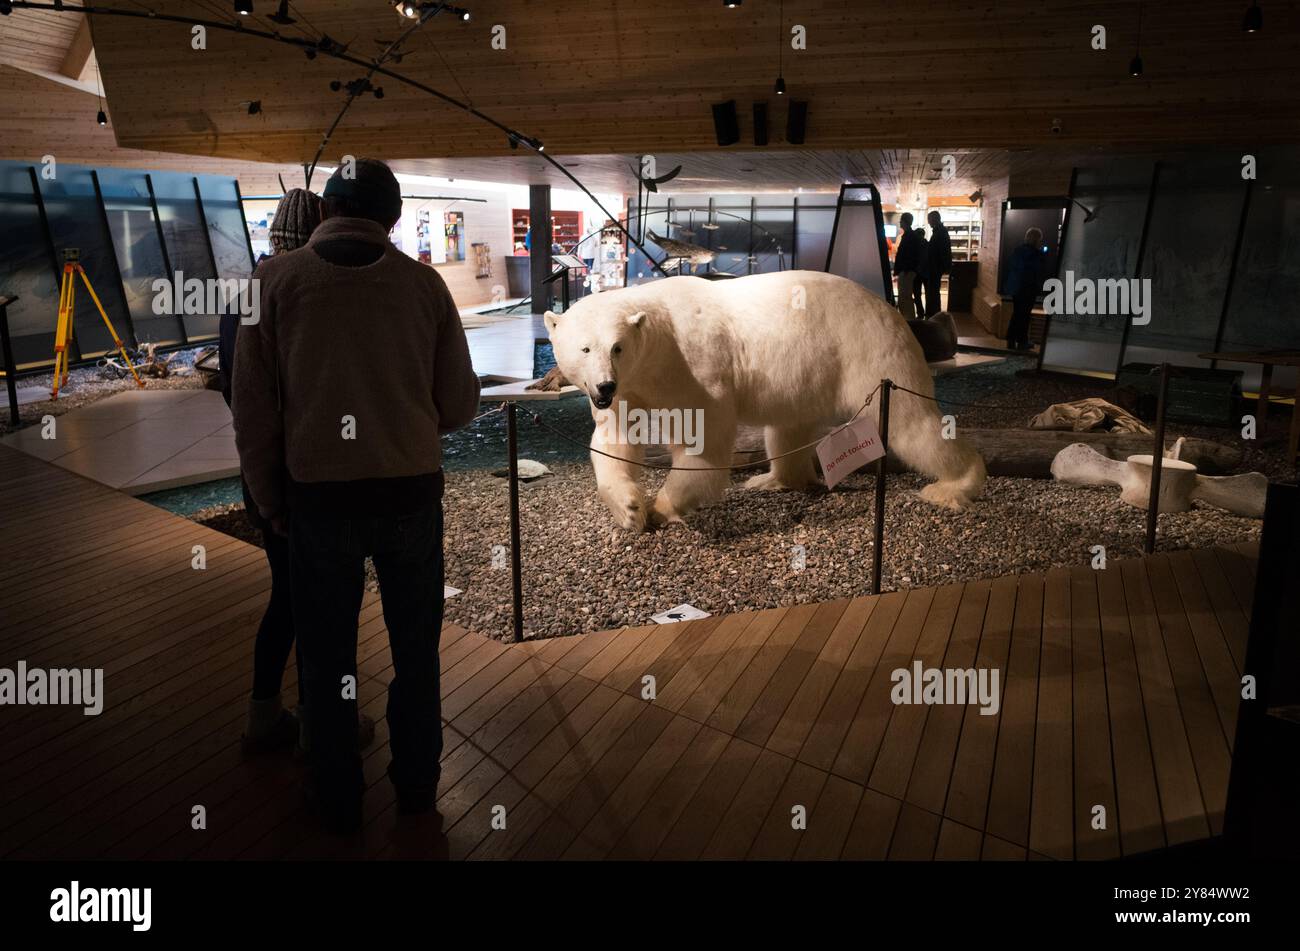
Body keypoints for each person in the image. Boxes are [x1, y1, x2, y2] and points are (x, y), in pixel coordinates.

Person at [232, 159, 481, 832]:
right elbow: (458, 403)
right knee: (415, 653)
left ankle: (338, 792)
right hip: (409, 500)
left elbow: (252, 411)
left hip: (318, 505)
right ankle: (418, 790)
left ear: (325, 210)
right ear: (393, 217)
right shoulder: (424, 287)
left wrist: (270, 501)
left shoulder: (273, 283)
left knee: (327, 659)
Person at [220, 188, 323, 754]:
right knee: (308, 602)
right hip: (295, 479)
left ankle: (267, 714)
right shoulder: (297, 295)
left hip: (258, 473)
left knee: (287, 594)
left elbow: (241, 404)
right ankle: (315, 726)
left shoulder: (239, 298)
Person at [1004, 226, 1047, 351]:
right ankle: (1022, 341)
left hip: (1016, 288)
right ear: (1037, 240)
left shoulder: (1017, 250)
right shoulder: (1036, 254)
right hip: (1028, 289)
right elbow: (1037, 272)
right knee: (1024, 316)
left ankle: (1011, 340)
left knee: (1016, 314)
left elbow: (1012, 268)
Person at [893, 213, 925, 319]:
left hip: (907, 271)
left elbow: (908, 255)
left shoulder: (909, 236)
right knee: (905, 296)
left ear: (904, 221)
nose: (900, 222)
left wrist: (904, 270)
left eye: (901, 220)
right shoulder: (909, 235)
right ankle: (908, 319)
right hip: (907, 271)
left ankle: (909, 320)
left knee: (905, 297)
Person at [924, 210, 952, 316]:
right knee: (933, 291)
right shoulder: (939, 231)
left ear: (934, 219)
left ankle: (934, 314)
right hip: (935, 267)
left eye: (929, 220)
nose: (928, 222)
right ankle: (933, 313)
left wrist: (945, 267)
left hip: (935, 267)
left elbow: (943, 250)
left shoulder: (940, 232)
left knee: (934, 292)